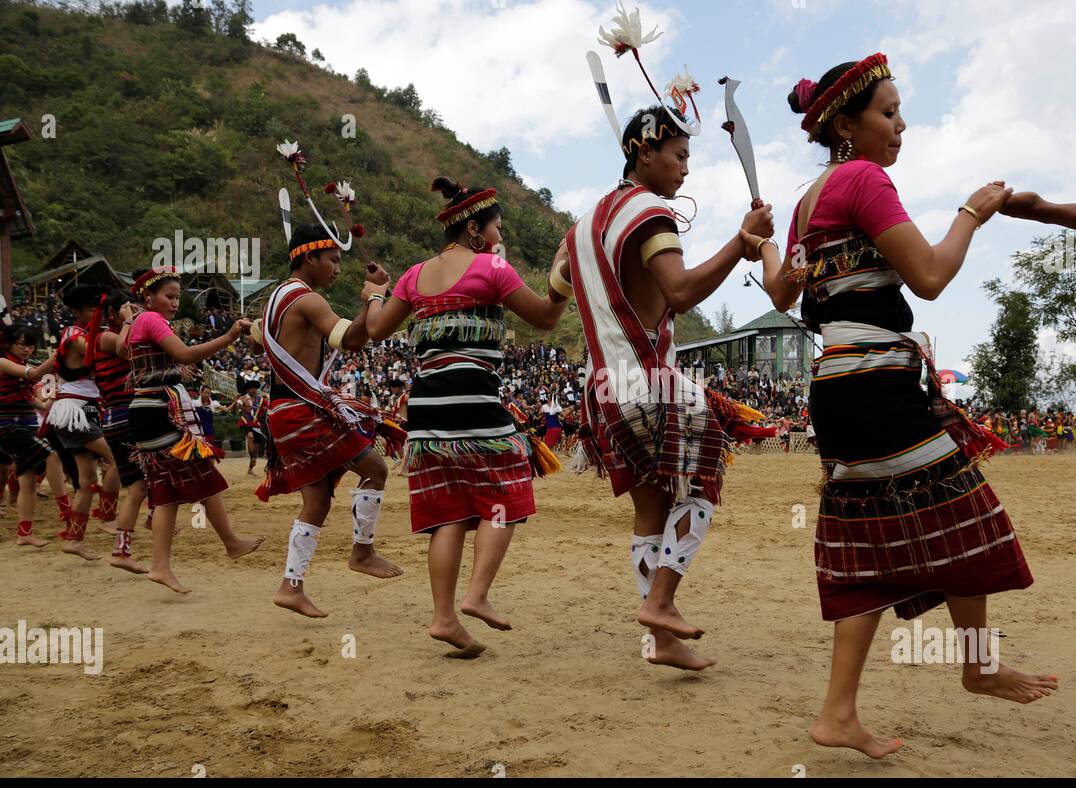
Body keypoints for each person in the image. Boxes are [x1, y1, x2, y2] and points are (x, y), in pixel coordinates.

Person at [749, 53, 1056, 758]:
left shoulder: (806, 202)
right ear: (848, 126)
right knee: (961, 506)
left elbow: (780, 293)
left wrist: (764, 243)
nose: (901, 125)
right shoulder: (862, 179)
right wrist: (972, 215)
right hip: (876, 385)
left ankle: (839, 713)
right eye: (889, 112)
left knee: (872, 546)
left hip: (839, 387)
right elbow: (931, 276)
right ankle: (975, 666)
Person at [563, 103, 774, 671]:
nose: (685, 168)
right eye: (679, 155)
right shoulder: (651, 213)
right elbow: (679, 292)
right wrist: (742, 242)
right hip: (649, 384)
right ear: (644, 150)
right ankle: (661, 600)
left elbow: (556, 287)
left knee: (650, 509)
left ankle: (659, 635)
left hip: (602, 390)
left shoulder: (581, 227)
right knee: (704, 485)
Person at [367, 178, 567, 656]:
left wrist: (375, 292)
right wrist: (561, 272)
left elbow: (375, 329)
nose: (501, 236)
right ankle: (477, 594)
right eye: (497, 227)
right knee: (509, 494)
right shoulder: (492, 267)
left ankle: (443, 617)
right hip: (474, 398)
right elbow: (545, 317)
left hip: (427, 406)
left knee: (447, 515)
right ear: (476, 228)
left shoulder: (412, 276)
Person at [252, 225, 405, 619]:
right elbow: (353, 339)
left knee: (317, 502)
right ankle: (362, 552)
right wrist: (374, 298)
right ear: (309, 259)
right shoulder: (307, 299)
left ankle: (291, 586)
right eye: (333, 259)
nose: (338, 267)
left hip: (283, 412)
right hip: (301, 411)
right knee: (374, 468)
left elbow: (259, 339)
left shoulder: (276, 299)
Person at [126, 267, 264, 593]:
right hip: (158, 412)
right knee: (203, 475)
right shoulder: (151, 321)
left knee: (167, 495)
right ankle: (230, 542)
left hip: (146, 411)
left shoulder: (138, 324)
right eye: (168, 296)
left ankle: (161, 566)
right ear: (148, 297)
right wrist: (229, 336)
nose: (174, 303)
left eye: (177, 297)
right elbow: (185, 353)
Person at [46, 283, 120, 561]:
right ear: (75, 311)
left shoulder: (85, 332)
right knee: (118, 460)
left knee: (87, 480)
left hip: (80, 409)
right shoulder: (75, 335)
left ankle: (75, 539)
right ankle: (108, 517)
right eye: (92, 309)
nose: (97, 314)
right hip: (74, 411)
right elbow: (99, 348)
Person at [91, 288, 150, 573]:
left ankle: (150, 519)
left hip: (125, 417)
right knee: (138, 486)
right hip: (122, 418)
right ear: (112, 313)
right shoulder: (103, 336)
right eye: (126, 309)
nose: (133, 312)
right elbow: (123, 350)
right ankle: (121, 549)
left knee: (145, 482)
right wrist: (129, 321)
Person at [0, 324, 59, 546]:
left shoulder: (25, 366)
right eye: (21, 345)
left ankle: (24, 533)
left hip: (25, 423)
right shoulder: (4, 362)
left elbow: (41, 403)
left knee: (28, 480)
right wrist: (58, 356)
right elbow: (35, 374)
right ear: (9, 344)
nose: (26, 350)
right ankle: (65, 507)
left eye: (30, 346)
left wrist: (53, 387)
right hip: (7, 424)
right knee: (49, 455)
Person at [234, 380, 267, 476]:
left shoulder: (260, 399)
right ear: (248, 389)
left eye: (255, 388)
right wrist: (240, 406)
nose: (254, 390)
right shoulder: (242, 398)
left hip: (256, 424)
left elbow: (267, 406)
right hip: (245, 422)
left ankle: (250, 468)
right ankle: (252, 456)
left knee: (256, 447)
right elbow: (238, 405)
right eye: (252, 388)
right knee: (250, 436)